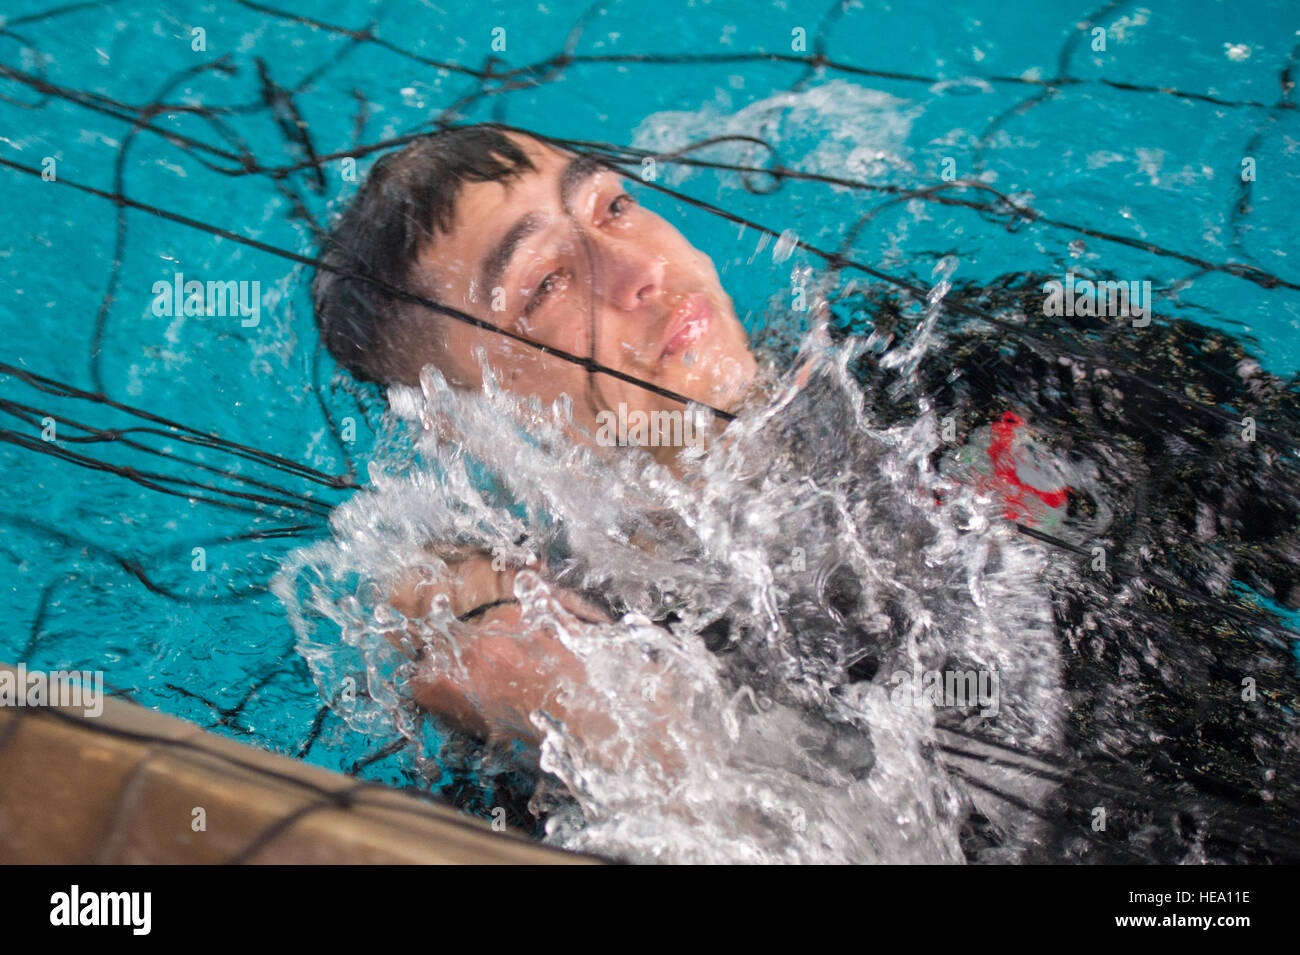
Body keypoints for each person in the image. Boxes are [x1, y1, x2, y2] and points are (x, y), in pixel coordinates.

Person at [312, 123, 1300, 861]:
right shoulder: (570, 688)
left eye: (610, 206)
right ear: (457, 419)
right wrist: (597, 712)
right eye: (544, 285)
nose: (636, 269)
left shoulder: (996, 366)